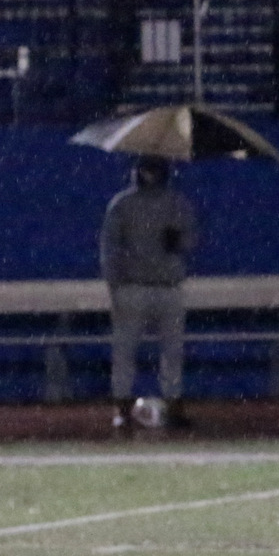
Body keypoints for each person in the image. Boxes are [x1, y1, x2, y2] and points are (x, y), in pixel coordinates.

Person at [100, 155, 198, 432]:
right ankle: (122, 409)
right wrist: (115, 285)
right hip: (136, 286)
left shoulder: (174, 204)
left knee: (169, 351)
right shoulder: (125, 205)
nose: (150, 176)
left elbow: (190, 240)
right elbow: (111, 249)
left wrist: (176, 239)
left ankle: (171, 405)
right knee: (127, 351)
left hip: (163, 285)